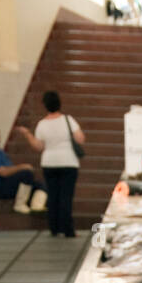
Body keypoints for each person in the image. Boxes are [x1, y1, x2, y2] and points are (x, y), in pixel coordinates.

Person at [17, 92, 85, 238]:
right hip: (68, 162)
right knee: (66, 197)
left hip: (49, 163)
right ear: (59, 103)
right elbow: (80, 139)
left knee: (53, 196)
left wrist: (28, 134)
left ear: (45, 105)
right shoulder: (68, 120)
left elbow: (39, 146)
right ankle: (68, 230)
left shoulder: (42, 124)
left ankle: (54, 228)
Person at [0, 123, 46, 213]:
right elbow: (3, 172)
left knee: (40, 185)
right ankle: (19, 204)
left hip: (7, 183)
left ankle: (37, 207)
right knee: (26, 173)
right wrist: (22, 167)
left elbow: (10, 168)